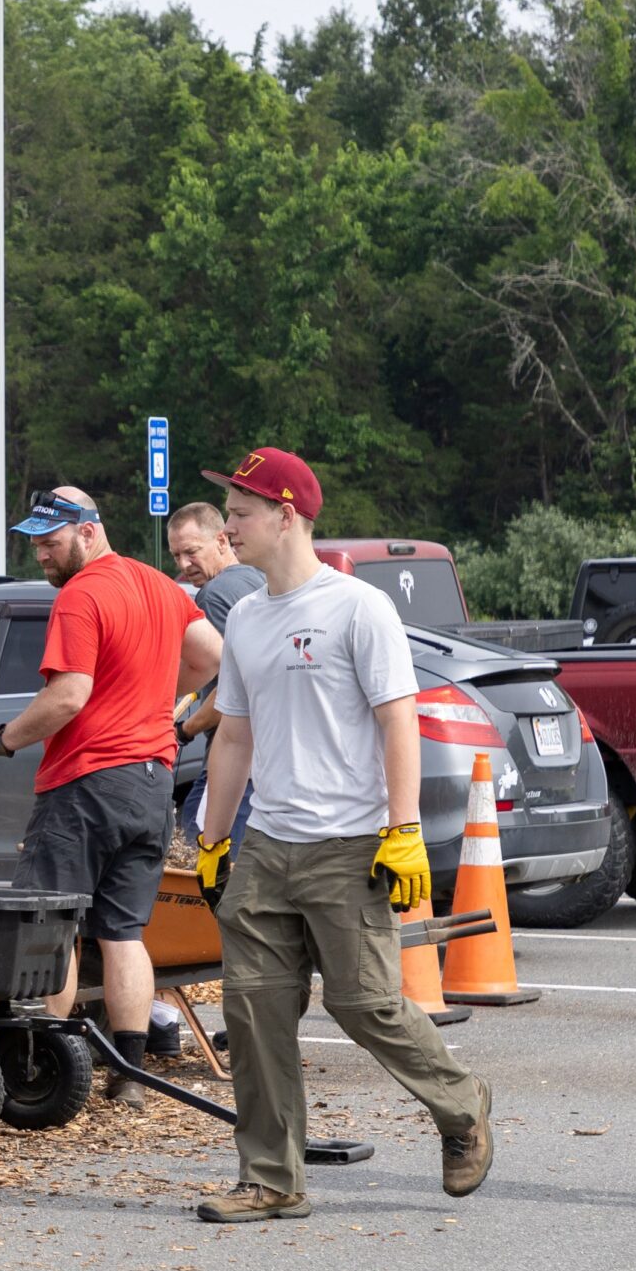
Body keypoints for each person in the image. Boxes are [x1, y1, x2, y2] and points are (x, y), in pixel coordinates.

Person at [191, 446, 493, 1222]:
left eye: (241, 514)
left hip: (351, 844)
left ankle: (461, 1103)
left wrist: (403, 831)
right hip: (267, 846)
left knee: (365, 1005)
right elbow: (233, 735)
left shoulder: (358, 608)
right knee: (254, 1011)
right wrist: (213, 840)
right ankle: (271, 1178)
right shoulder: (247, 618)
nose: (229, 528)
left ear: (287, 515)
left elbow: (398, 721)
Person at [0, 487, 223, 1104]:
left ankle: (36, 1068)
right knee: (123, 933)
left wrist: (1, 740)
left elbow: (68, 696)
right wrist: (156, 695)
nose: (42, 555)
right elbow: (213, 658)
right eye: (36, 545)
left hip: (87, 783)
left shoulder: (81, 595)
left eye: (52, 543)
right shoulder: (160, 586)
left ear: (89, 532)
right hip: (150, 781)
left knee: (53, 927)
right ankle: (130, 1075)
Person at [165, 501, 265, 848]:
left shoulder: (214, 594)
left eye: (192, 552)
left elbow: (234, 689)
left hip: (233, 760)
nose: (183, 565)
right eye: (176, 555)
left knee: (200, 851)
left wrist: (184, 730)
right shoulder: (258, 579)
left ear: (222, 540)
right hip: (267, 762)